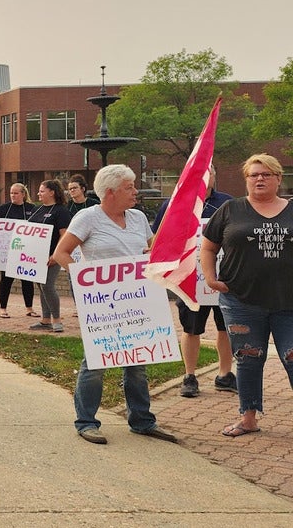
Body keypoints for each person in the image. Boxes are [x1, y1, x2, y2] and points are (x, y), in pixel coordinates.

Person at [51, 164, 178, 445]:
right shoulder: (87, 218)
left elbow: (149, 248)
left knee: (137, 362)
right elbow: (62, 253)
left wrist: (152, 253)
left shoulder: (137, 217)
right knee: (96, 361)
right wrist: (86, 283)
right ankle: (86, 422)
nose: (135, 192)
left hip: (137, 300)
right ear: (110, 193)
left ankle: (142, 421)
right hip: (102, 305)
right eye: (129, 187)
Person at [201, 154, 293, 438]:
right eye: (254, 175)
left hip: (288, 302)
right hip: (241, 301)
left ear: (278, 178)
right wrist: (210, 278)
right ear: (246, 180)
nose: (260, 179)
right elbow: (208, 247)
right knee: (248, 357)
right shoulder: (230, 209)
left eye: (266, 174)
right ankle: (248, 417)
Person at [151, 164, 235, 398]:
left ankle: (225, 374)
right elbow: (159, 240)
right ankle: (189, 376)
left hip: (223, 278)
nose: (206, 177)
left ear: (215, 177)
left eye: (210, 173)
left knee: (224, 327)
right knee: (191, 328)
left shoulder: (228, 203)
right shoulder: (174, 203)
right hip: (190, 279)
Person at [27, 180, 72, 332]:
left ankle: (57, 319)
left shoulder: (61, 211)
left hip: (52, 255)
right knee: (41, 286)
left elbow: (64, 235)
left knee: (47, 285)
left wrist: (55, 255)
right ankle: (45, 320)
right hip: (36, 256)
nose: (39, 194)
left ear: (52, 192)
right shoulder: (37, 210)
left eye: (42, 191)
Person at [0, 182, 38, 318]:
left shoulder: (32, 209)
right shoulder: (4, 208)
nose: (13, 195)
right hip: (8, 251)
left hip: (25, 251)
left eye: (16, 193)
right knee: (6, 280)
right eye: (11, 193)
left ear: (23, 194)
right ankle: (2, 309)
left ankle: (29, 308)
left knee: (27, 280)